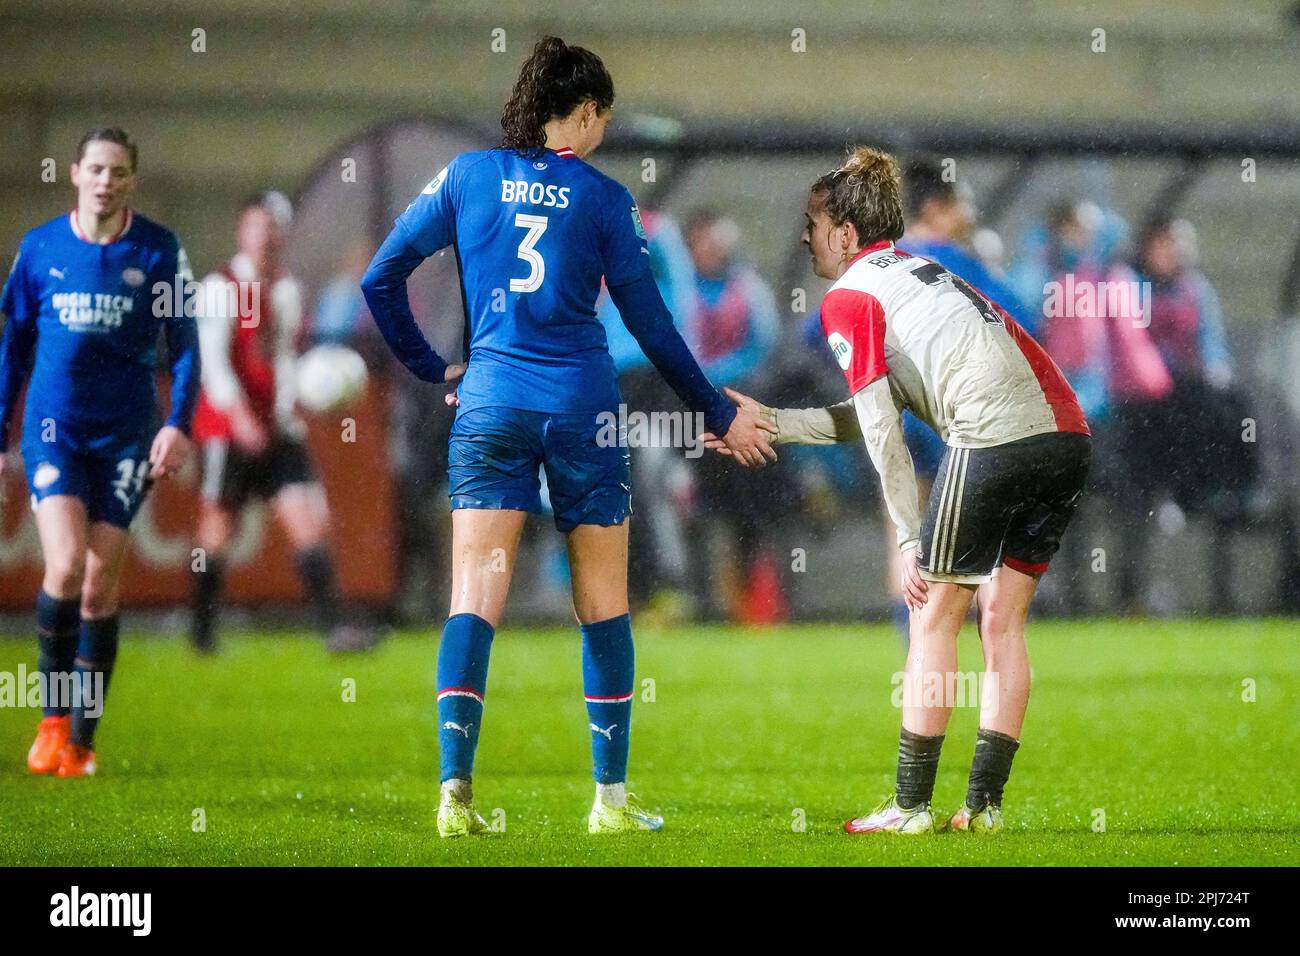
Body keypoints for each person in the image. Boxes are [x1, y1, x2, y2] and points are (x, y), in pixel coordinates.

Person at [361, 36, 774, 837]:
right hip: (583, 408)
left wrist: (432, 367)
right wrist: (717, 411)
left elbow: (381, 279)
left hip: (488, 403)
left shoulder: (467, 176)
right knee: (603, 603)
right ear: (583, 114)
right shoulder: (605, 199)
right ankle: (609, 803)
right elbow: (651, 323)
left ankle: (455, 795)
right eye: (601, 120)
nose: (602, 135)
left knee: (474, 597)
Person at [709, 147, 1090, 834]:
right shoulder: (924, 272)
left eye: (814, 223)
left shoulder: (849, 297)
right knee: (1001, 619)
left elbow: (883, 430)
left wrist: (910, 536)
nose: (805, 236)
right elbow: (877, 411)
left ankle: (910, 807)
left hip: (995, 437)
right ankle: (983, 809)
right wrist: (777, 423)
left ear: (847, 234)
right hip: (1065, 435)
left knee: (931, 615)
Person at [0, 127, 199, 777]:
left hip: (125, 437)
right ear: (76, 175)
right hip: (54, 430)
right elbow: (15, 350)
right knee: (62, 569)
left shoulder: (159, 250)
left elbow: (187, 345)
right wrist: (2, 431)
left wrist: (177, 423)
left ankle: (83, 741)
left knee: (97, 585)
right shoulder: (41, 251)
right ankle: (53, 722)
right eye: (95, 170)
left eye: (118, 171)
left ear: (131, 181)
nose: (106, 181)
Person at [189, 193, 377, 654]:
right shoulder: (220, 286)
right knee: (218, 528)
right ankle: (201, 633)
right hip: (225, 428)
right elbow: (213, 362)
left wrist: (297, 404)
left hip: (276, 428)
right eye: (259, 226)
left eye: (274, 228)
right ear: (242, 231)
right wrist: (239, 418)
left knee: (308, 520)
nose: (266, 236)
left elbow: (285, 360)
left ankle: (336, 630)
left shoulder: (287, 289)